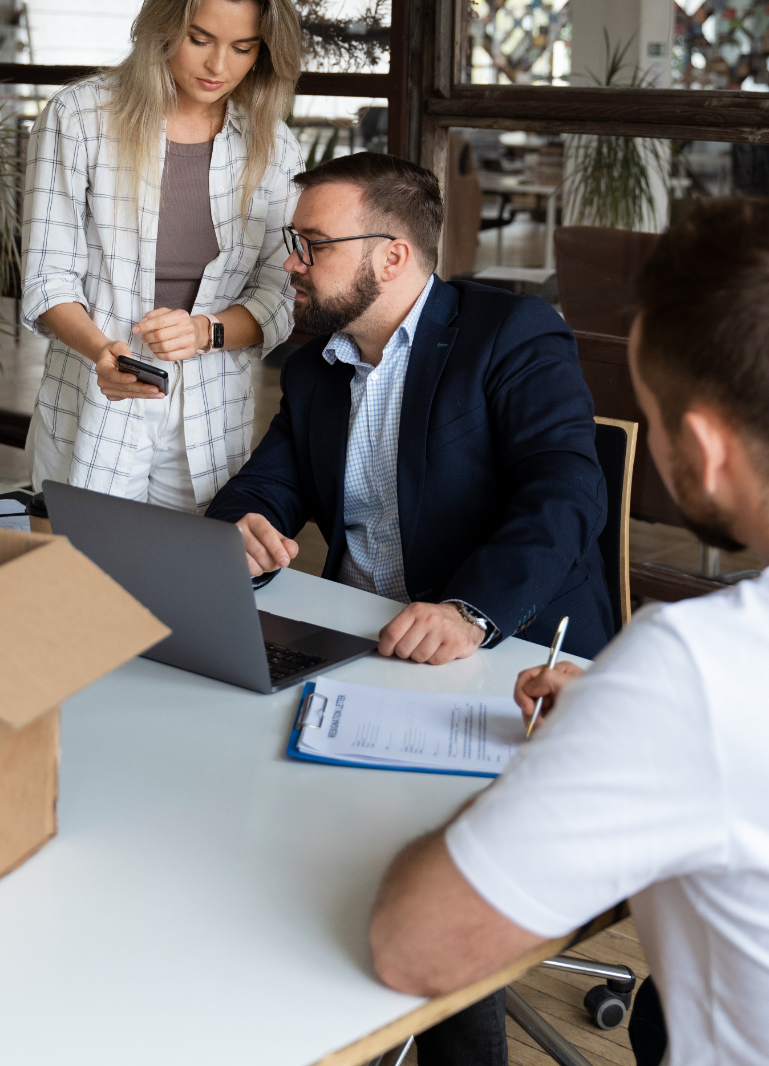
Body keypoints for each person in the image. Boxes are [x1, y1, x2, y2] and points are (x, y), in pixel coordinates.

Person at [369, 195, 769, 1066]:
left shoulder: (701, 670)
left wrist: (602, 735)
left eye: (651, 418)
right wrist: (624, 714)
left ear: (702, 450)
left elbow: (415, 944)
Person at [206, 151, 613, 1066]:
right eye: (293, 243)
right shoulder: (316, 364)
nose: (292, 265)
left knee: (420, 871)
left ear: (390, 257)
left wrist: (470, 607)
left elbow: (565, 497)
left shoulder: (511, 334)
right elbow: (267, 482)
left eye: (312, 245)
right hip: (361, 653)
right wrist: (242, 524)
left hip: (501, 663)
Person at [21, 0, 304, 509]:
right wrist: (104, 352)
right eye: (200, 39)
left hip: (210, 411)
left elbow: (280, 294)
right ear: (163, 27)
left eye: (244, 47)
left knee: (188, 584)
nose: (218, 66)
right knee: (83, 581)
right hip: (95, 395)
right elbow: (46, 278)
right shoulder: (80, 117)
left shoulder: (274, 147)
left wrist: (207, 331)